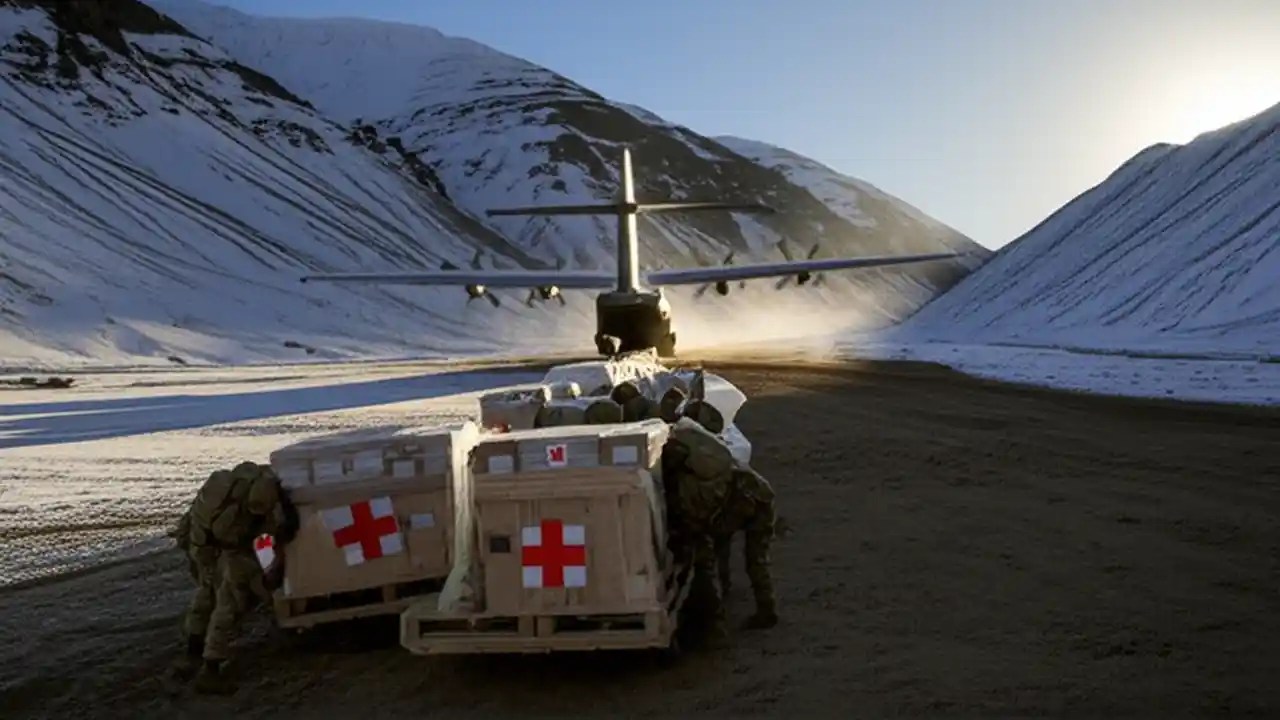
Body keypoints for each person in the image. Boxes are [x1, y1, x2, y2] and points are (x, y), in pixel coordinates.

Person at [170, 461, 298, 694]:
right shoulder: (219, 500)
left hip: (227, 546)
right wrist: (206, 568)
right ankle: (208, 665)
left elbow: (271, 531)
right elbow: (199, 538)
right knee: (223, 601)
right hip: (208, 545)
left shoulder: (261, 491)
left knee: (216, 596)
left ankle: (195, 653)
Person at [713, 464, 779, 629]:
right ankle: (725, 588)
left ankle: (766, 611)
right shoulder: (717, 468)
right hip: (753, 499)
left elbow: (735, 517)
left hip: (753, 503)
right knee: (727, 547)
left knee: (755, 560)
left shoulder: (723, 479)